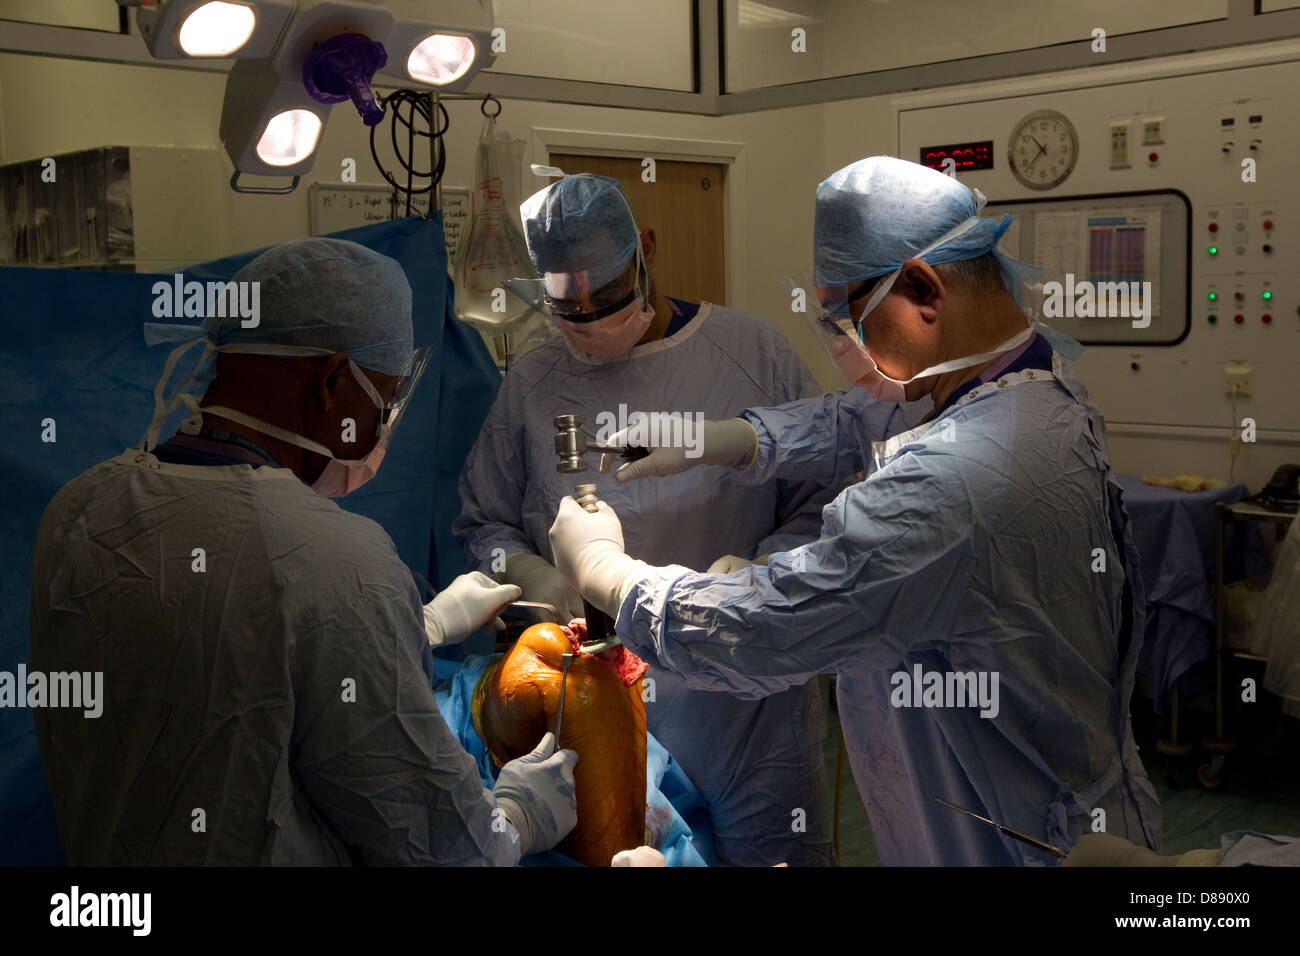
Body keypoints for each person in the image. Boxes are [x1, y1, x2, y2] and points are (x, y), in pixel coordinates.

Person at [547, 156, 1164, 866]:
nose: (844, 346)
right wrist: (719, 440)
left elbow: (767, 626)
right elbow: (856, 421)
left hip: (1010, 831)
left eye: (845, 319)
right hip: (1024, 792)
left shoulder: (959, 482)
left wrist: (608, 574)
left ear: (924, 290)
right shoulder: (1020, 383)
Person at [29, 237, 577, 866]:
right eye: (387, 397)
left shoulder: (78, 511)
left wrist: (417, 628)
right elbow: (440, 848)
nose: (384, 426)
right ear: (334, 381)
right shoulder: (334, 561)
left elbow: (211, 666)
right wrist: (516, 818)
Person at [454, 173, 847, 866]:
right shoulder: (534, 382)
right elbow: (483, 524)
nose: (590, 320)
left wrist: (759, 569)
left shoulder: (750, 352)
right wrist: (535, 576)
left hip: (746, 708)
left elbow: (825, 501)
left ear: (647, 250)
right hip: (604, 717)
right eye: (567, 308)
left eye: (606, 298)